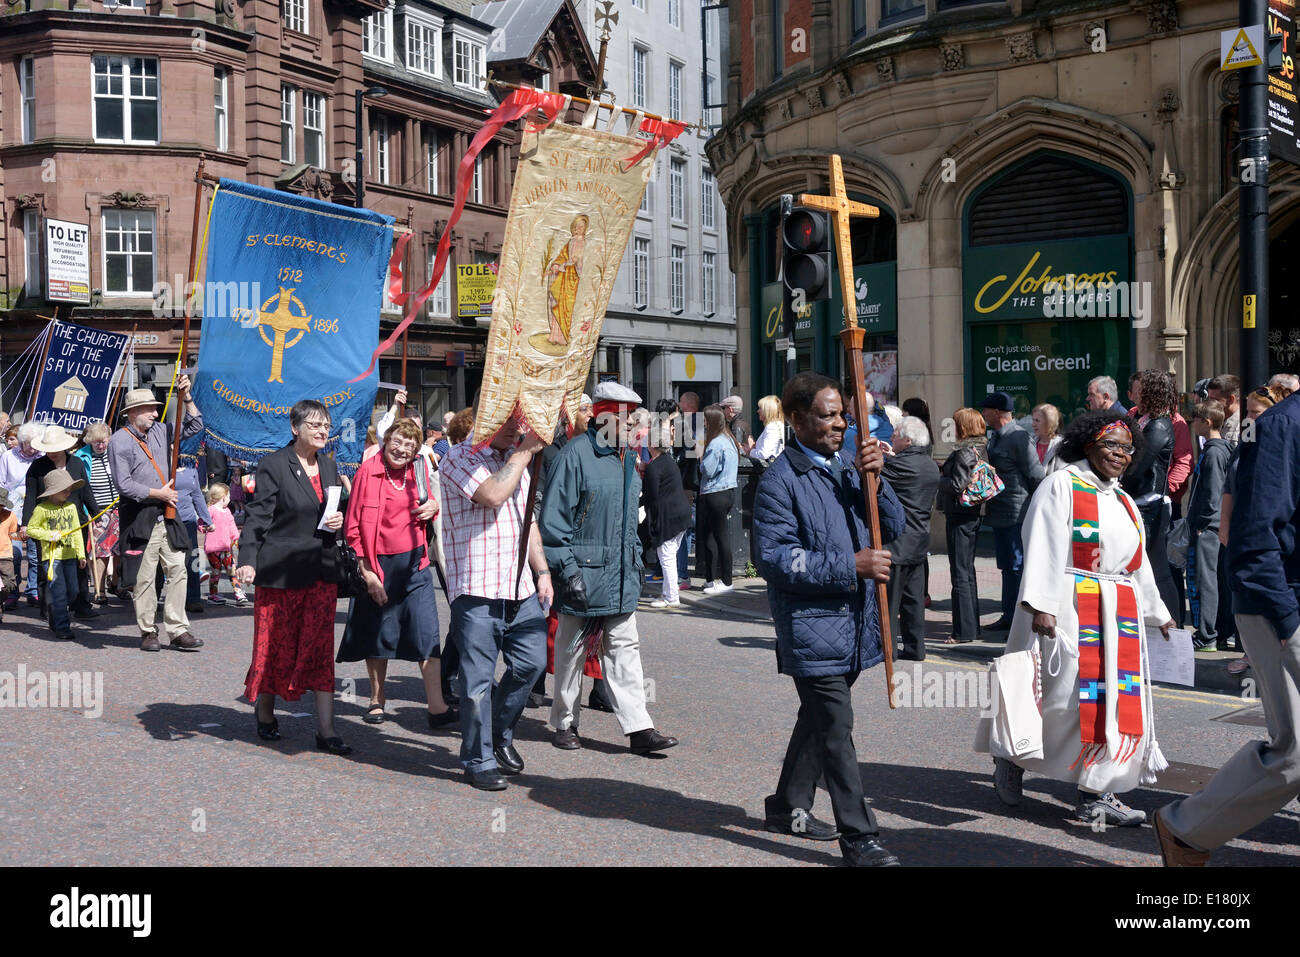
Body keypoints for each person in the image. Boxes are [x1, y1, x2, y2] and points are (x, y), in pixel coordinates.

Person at [977, 409, 1175, 827]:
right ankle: (1011, 758)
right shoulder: (1061, 485)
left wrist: (1158, 613)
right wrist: (1042, 605)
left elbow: (1137, 564)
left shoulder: (1124, 500)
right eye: (1110, 444)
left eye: (1127, 447)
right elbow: (1043, 544)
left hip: (1116, 611)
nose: (1120, 454)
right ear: (1087, 444)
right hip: (1066, 604)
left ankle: (1095, 793)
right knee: (1058, 698)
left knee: (1110, 703)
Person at [753, 372, 905, 866]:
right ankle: (859, 837)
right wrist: (851, 565)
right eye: (828, 415)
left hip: (855, 624)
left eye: (842, 414)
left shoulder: (848, 466)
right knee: (837, 727)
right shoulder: (779, 481)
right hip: (811, 628)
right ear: (797, 421)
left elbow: (896, 527)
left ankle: (786, 805)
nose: (841, 424)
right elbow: (775, 559)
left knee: (817, 723)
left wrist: (876, 482)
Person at [1154, 386, 1300, 866]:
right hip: (1281, 604)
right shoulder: (1280, 426)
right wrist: (1282, 613)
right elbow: (1257, 530)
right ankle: (1187, 828)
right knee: (1294, 751)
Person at [541, 381, 678, 756]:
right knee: (570, 652)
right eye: (630, 418)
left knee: (624, 651)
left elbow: (628, 522)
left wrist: (635, 562)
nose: (637, 426)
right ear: (607, 418)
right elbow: (553, 524)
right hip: (582, 574)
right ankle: (565, 723)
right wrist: (566, 571)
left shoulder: (627, 460)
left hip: (619, 575)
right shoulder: (574, 456)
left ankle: (639, 727)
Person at [439, 408, 552, 790]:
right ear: (486, 417)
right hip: (477, 590)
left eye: (521, 422)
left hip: (519, 587)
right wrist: (525, 453)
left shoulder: (513, 458)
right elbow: (491, 495)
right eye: (510, 421)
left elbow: (526, 520)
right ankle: (477, 758)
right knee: (476, 684)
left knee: (531, 665)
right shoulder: (459, 456)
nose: (519, 429)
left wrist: (542, 571)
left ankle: (499, 731)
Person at [236, 399, 350, 754]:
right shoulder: (273, 465)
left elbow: (333, 511)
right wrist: (248, 559)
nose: (322, 431)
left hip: (321, 571)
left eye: (326, 426)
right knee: (275, 646)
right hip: (281, 573)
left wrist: (338, 521)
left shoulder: (330, 467)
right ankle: (266, 713)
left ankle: (327, 729)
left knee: (319, 648)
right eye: (314, 425)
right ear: (294, 428)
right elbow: (258, 517)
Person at [337, 417, 456, 730]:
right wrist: (367, 573)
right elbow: (352, 527)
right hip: (377, 565)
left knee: (427, 630)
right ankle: (377, 699)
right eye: (398, 442)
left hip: (415, 563)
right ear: (386, 440)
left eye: (410, 444)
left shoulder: (419, 469)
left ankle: (436, 706)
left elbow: (433, 501)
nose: (403, 449)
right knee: (378, 632)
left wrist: (433, 505)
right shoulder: (367, 471)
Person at [108, 382, 205, 652]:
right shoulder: (119, 440)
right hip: (140, 516)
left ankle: (177, 629)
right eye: (149, 409)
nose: (154, 413)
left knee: (178, 570)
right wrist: (158, 494)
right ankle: (148, 631)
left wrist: (186, 398)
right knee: (145, 577)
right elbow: (124, 484)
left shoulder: (161, 430)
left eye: (155, 408)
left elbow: (196, 425)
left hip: (167, 514)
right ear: (133, 412)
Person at [1220, 385, 1285, 675]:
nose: (1249, 417)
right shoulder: (1246, 442)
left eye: (1255, 412)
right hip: (1241, 531)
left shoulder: (1281, 442)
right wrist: (1224, 523)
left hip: (1271, 534)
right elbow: (1229, 485)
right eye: (1247, 411)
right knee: (1245, 592)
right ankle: (1251, 653)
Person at [980, 392, 1045, 632]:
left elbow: (1036, 474)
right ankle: (1009, 616)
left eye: (986, 410)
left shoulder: (1018, 437)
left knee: (1017, 566)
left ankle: (1021, 620)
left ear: (997, 412)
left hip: (1017, 513)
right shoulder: (996, 437)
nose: (983, 414)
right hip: (999, 512)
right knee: (1007, 567)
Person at [22, 424, 98, 622]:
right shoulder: (37, 467)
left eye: (55, 449)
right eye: (48, 449)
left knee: (79, 563)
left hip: (75, 522)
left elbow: (86, 491)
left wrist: (96, 514)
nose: (52, 453)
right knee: (47, 566)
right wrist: (25, 524)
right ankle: (49, 607)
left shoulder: (77, 464)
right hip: (47, 524)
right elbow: (30, 497)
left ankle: (81, 604)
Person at [1121, 369, 1180, 620]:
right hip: (1141, 501)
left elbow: (1139, 465)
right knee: (1148, 567)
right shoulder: (1146, 420)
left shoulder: (1159, 425)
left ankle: (1173, 623)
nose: (1137, 392)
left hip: (1151, 503)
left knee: (1158, 569)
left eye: (1142, 388)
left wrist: (1120, 479)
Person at [882, 415, 939, 661]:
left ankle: (889, 649)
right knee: (913, 601)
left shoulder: (898, 466)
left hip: (897, 543)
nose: (891, 438)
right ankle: (916, 648)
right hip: (918, 541)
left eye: (895, 434)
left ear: (907, 440)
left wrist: (880, 456)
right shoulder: (929, 464)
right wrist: (890, 456)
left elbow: (873, 476)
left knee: (890, 602)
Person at [938, 408, 989, 644]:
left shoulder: (964, 452)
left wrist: (936, 479)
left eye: (956, 424)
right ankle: (972, 628)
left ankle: (962, 633)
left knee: (959, 574)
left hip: (960, 515)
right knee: (967, 573)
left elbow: (957, 485)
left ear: (964, 427)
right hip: (973, 514)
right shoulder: (980, 448)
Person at [1185, 401, 1231, 652]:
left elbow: (1212, 494)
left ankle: (1207, 635)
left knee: (1206, 581)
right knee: (1216, 579)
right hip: (1214, 526)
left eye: (1196, 419)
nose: (1193, 424)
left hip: (1208, 528)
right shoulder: (1221, 449)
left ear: (1208, 422)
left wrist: (1202, 524)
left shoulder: (1213, 453)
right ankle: (1219, 631)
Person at [26, 469, 89, 641]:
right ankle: (62, 627)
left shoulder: (71, 507)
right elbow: (31, 529)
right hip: (52, 558)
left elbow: (77, 532)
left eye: (69, 489)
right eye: (65, 489)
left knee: (74, 592)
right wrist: (48, 535)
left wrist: (81, 554)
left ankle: (55, 613)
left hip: (70, 556)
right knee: (59, 593)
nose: (69, 492)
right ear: (53, 491)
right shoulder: (41, 509)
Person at [643, 413, 692, 608]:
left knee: (667, 558)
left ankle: (671, 597)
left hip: (669, 518)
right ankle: (666, 594)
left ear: (651, 445)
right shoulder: (667, 461)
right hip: (680, 515)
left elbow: (651, 495)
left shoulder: (656, 467)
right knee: (668, 556)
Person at [73, 422, 119, 604]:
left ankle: (116, 583)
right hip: (97, 510)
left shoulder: (115, 452)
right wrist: (89, 510)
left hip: (119, 507)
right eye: (96, 442)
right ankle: (100, 590)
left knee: (120, 550)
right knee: (100, 552)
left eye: (104, 441)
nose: (101, 446)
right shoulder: (81, 456)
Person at [696, 404, 739, 595]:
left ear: (711, 421)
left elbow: (708, 470)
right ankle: (710, 580)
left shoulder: (715, 443)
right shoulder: (729, 439)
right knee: (713, 536)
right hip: (727, 491)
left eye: (705, 420)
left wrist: (700, 460)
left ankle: (726, 582)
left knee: (716, 537)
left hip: (715, 492)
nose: (703, 423)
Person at [0, 422, 45, 604]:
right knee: (15, 554)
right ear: (22, 441)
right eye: (29, 443)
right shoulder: (8, 457)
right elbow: (1, 483)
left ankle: (32, 589)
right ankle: (13, 590)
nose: (33, 448)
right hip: (12, 512)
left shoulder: (42, 457)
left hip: (35, 512)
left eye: (36, 443)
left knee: (34, 555)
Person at [545, 214, 589, 346]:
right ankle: (554, 335)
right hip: (563, 278)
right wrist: (556, 265)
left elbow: (580, 261)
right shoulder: (571, 241)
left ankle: (563, 336)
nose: (578, 229)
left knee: (566, 307)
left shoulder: (584, 242)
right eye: (576, 226)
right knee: (557, 304)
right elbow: (562, 256)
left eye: (581, 226)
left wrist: (571, 264)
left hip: (572, 278)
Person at [174, 466, 211, 614]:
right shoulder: (163, 463)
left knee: (193, 559)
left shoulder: (191, 468)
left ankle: (193, 598)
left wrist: (207, 519)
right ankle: (156, 597)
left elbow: (197, 495)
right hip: (166, 519)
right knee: (162, 561)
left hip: (188, 520)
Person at [203, 483, 248, 605]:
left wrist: (236, 539)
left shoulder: (227, 511)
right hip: (213, 549)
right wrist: (205, 527)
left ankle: (238, 592)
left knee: (232, 570)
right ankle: (213, 595)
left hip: (226, 548)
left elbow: (232, 527)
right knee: (216, 572)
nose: (229, 499)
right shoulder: (210, 510)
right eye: (228, 496)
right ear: (223, 497)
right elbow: (201, 522)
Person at [674, 391, 701, 591]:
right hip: (693, 483)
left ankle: (682, 574)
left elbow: (687, 454)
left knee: (684, 530)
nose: (679, 404)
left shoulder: (689, 424)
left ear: (688, 405)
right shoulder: (698, 424)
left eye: (681, 401)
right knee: (688, 529)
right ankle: (682, 573)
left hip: (686, 483)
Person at [1207, 374, 1241, 445]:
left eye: (1214, 400)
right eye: (1209, 399)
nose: (1210, 403)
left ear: (1231, 399)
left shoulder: (1245, 423)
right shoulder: (1211, 420)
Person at [750, 394, 785, 464]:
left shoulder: (772, 427)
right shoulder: (778, 425)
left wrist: (749, 451)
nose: (758, 411)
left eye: (760, 408)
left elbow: (764, 454)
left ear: (767, 410)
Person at [0, 488, 17, 622]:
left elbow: (12, 534)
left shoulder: (10, 515)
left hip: (5, 555)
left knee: (9, 584)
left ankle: (1, 601)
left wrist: (22, 536)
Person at [1031, 403, 1063, 469]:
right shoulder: (1030, 442)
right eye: (1033, 420)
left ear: (1050, 422)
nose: (1033, 424)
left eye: (1037, 420)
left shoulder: (1061, 445)